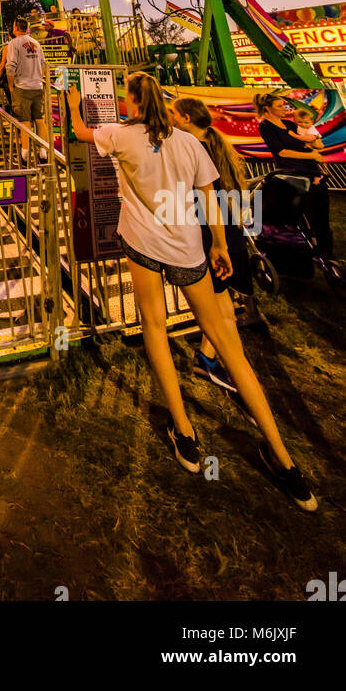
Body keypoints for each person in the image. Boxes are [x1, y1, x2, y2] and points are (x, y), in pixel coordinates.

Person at [67, 71, 317, 511]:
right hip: (189, 251)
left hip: (142, 247)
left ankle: (183, 431)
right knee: (228, 344)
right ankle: (285, 460)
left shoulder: (120, 137)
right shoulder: (190, 143)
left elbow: (80, 132)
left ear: (133, 102)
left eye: (126, 97)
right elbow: (209, 198)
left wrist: (71, 102)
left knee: (155, 328)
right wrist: (219, 245)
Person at [170, 97, 254, 394]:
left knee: (219, 306)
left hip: (209, 230)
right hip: (226, 226)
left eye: (173, 114)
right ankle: (210, 358)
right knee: (222, 304)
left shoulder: (192, 149)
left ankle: (225, 365)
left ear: (186, 118)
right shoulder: (215, 145)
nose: (169, 118)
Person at [254, 92, 332, 256]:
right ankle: (299, 253)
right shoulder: (266, 126)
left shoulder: (289, 124)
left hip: (311, 171)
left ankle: (326, 254)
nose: (284, 108)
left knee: (321, 216)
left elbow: (311, 141)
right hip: (292, 175)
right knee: (297, 216)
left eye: (284, 105)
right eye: (279, 106)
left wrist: (316, 142)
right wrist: (310, 155)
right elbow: (282, 152)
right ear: (267, 109)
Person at [5, 16, 48, 164]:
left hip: (22, 86)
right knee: (39, 119)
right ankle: (43, 153)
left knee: (24, 121)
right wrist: (38, 78)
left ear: (16, 28)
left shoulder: (14, 43)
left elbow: (10, 67)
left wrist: (11, 86)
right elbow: (43, 65)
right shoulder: (36, 43)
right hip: (37, 85)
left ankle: (24, 156)